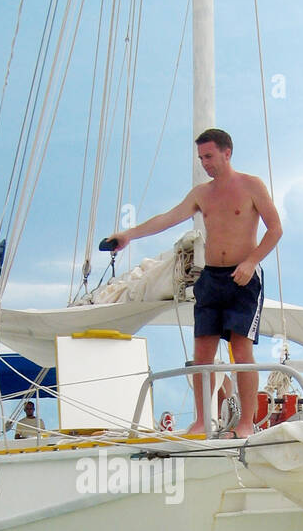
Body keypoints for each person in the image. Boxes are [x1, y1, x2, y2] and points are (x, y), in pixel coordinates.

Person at [106, 128, 282, 438]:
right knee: (202, 354)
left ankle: (245, 425)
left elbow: (275, 229)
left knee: (241, 352)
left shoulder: (252, 185)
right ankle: (203, 420)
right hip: (211, 277)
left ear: (227, 153)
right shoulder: (202, 194)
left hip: (243, 278)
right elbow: (168, 217)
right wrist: (128, 235)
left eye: (209, 156)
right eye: (201, 157)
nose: (205, 163)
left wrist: (251, 261)